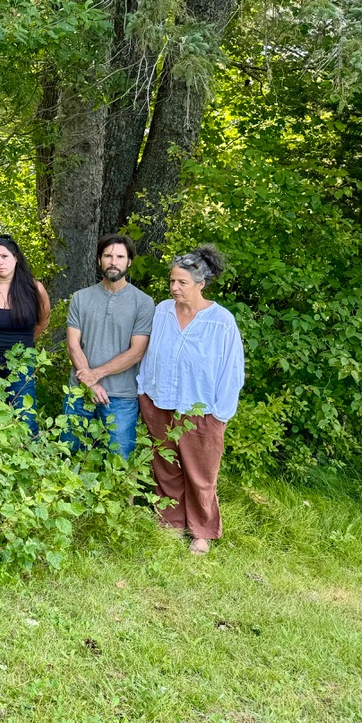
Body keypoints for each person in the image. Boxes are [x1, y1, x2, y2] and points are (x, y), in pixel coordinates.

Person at [137, 245, 244, 555]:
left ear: (201, 284)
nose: (174, 288)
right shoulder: (162, 310)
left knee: (201, 473)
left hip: (202, 410)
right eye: (172, 281)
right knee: (165, 467)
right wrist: (144, 389)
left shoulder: (221, 321)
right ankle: (170, 521)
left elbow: (231, 371)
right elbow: (151, 353)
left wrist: (221, 414)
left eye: (182, 282)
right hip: (159, 402)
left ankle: (201, 531)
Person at [62, 233, 155, 458]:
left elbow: (137, 352)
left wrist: (95, 375)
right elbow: (73, 345)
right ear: (99, 260)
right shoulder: (81, 298)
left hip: (122, 397)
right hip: (78, 392)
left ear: (129, 261)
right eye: (108, 256)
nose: (113, 261)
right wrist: (90, 384)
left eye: (120, 257)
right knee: (68, 458)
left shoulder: (143, 302)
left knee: (118, 464)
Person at [0, 234, 51, 429]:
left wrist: (23, 343)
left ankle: (28, 455)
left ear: (16, 257)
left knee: (25, 420)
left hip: (21, 362)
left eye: (4, 256)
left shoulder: (34, 289)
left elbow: (42, 321)